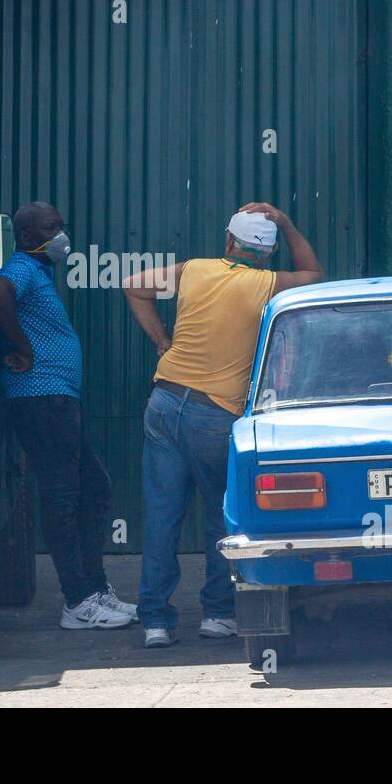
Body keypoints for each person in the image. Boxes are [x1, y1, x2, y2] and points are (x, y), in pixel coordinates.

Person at [122, 202, 322, 647]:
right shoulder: (267, 284)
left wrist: (162, 341)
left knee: (161, 517)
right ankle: (216, 614)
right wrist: (287, 222)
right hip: (215, 415)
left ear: (229, 242)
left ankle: (155, 622)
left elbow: (133, 286)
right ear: (266, 253)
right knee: (220, 515)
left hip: (165, 401)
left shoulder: (194, 270)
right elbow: (313, 275)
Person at [0, 201, 136, 630]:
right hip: (39, 398)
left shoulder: (38, 271)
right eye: (52, 228)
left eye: (61, 226)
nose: (61, 234)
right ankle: (77, 601)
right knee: (63, 496)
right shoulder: (21, 269)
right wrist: (22, 349)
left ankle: (95, 588)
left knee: (94, 488)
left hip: (57, 398)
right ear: (28, 236)